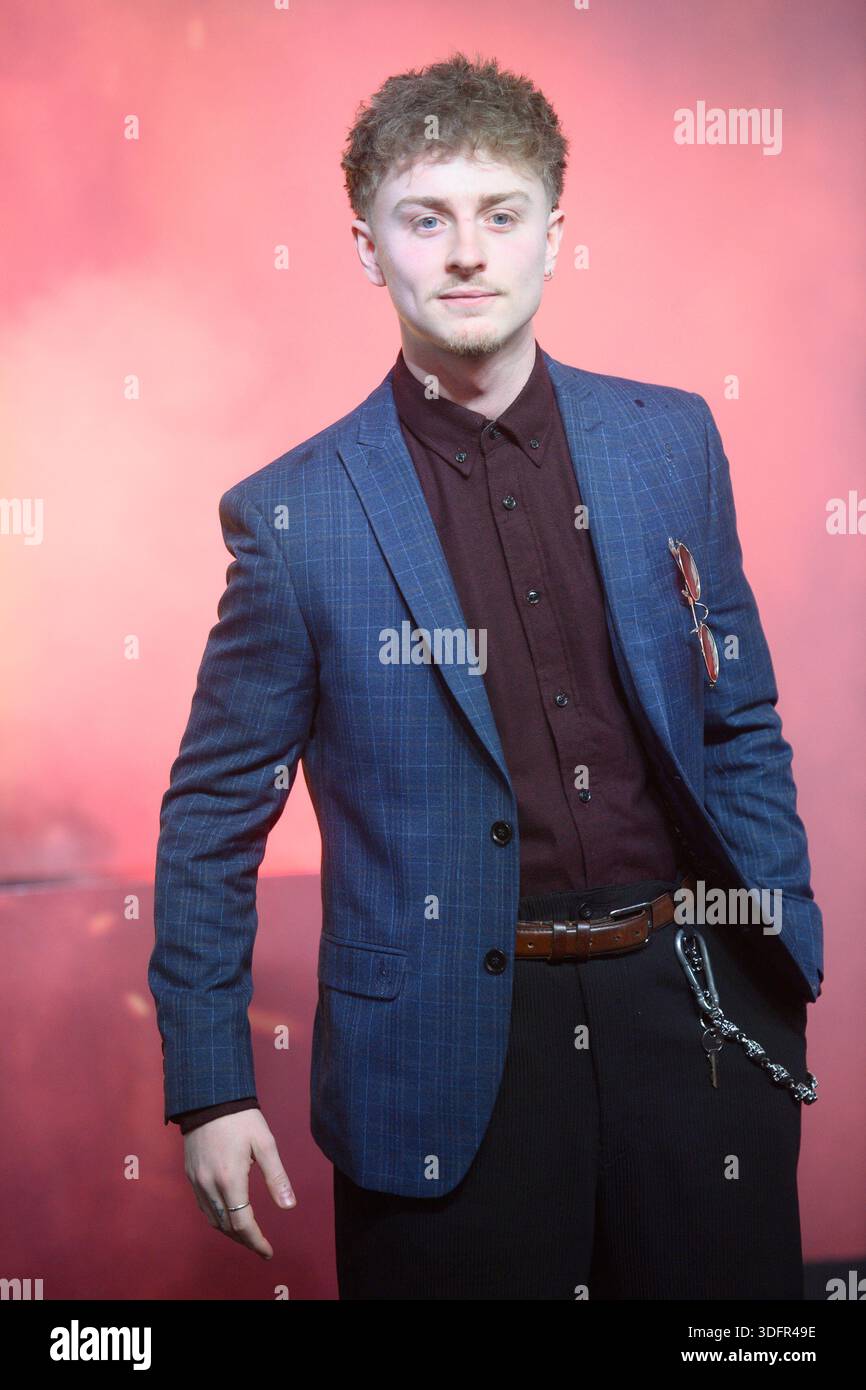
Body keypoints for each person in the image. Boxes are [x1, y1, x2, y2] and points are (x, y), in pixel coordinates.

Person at [148, 52, 822, 1299]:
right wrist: (211, 1085)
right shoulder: (293, 514)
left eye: (500, 215)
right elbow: (212, 813)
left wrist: (780, 947)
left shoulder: (670, 440)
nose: (466, 253)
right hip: (440, 1063)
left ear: (553, 233)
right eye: (426, 220)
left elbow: (738, 716)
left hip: (696, 1020)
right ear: (368, 248)